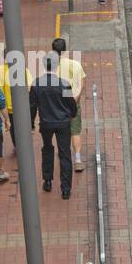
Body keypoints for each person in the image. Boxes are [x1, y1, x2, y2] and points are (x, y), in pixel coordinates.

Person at [31, 53, 78, 199]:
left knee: (47, 148)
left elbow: (32, 106)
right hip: (63, 122)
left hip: (46, 122)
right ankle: (65, 189)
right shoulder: (64, 84)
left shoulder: (37, 84)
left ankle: (47, 180)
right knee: (64, 154)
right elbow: (72, 105)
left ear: (44, 66)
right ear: (57, 66)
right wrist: (72, 114)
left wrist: (31, 122)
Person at [52, 38, 88, 172]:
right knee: (75, 131)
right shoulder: (75, 64)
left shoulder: (51, 66)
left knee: (61, 130)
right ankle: (77, 160)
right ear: (65, 49)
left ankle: (63, 153)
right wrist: (75, 101)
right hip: (71, 99)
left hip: (57, 102)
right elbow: (81, 84)